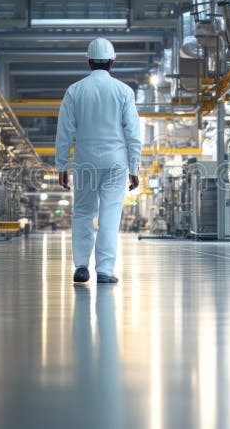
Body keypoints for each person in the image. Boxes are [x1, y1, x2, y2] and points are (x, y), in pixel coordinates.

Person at [55, 38, 141, 284]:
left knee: (82, 212)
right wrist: (134, 168)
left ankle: (81, 266)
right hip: (116, 162)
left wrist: (62, 165)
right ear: (113, 62)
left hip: (85, 161)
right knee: (110, 216)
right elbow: (133, 133)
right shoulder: (124, 91)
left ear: (89, 61)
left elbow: (64, 131)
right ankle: (104, 269)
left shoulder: (75, 90)